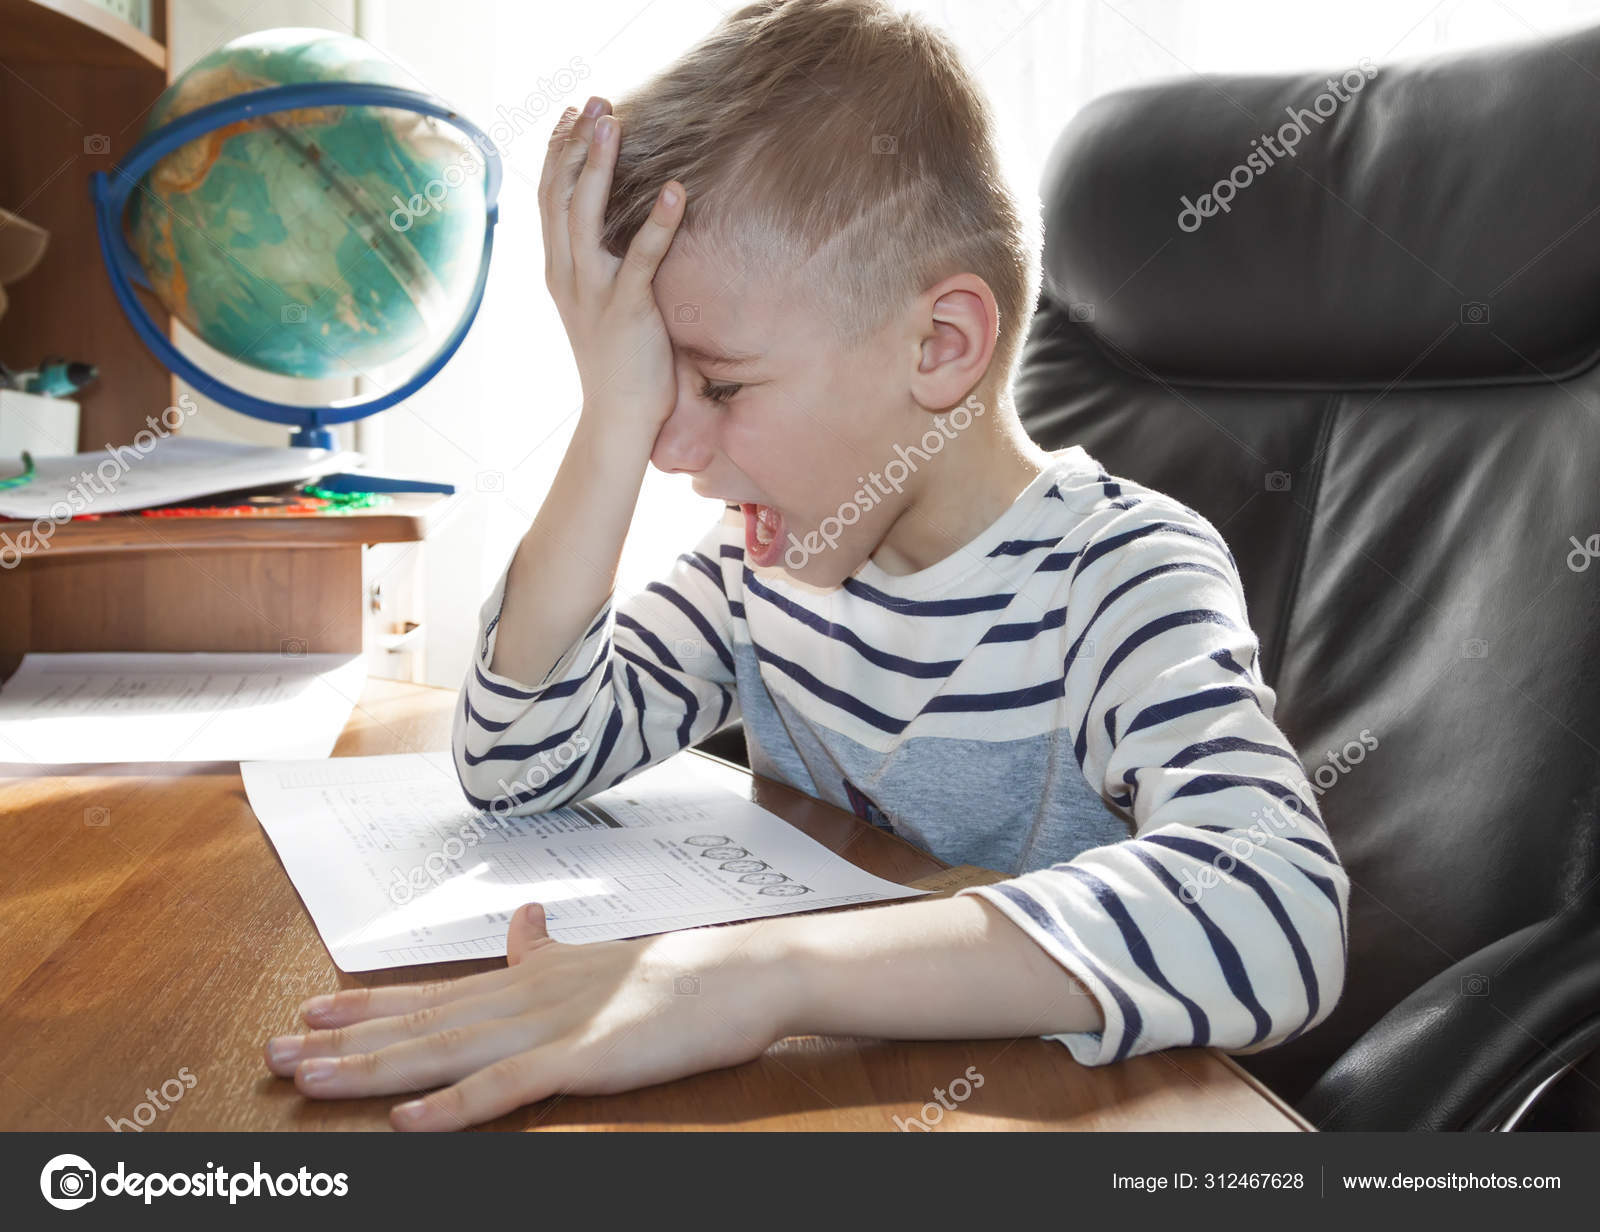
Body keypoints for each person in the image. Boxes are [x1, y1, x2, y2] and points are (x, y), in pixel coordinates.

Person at [264, 0, 1348, 1131]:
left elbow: (1275, 906)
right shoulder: (759, 568)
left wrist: (754, 974)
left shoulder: (1117, 574)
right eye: (654, 393)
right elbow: (517, 760)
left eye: (720, 386)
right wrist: (607, 414)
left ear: (938, 348)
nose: (673, 450)